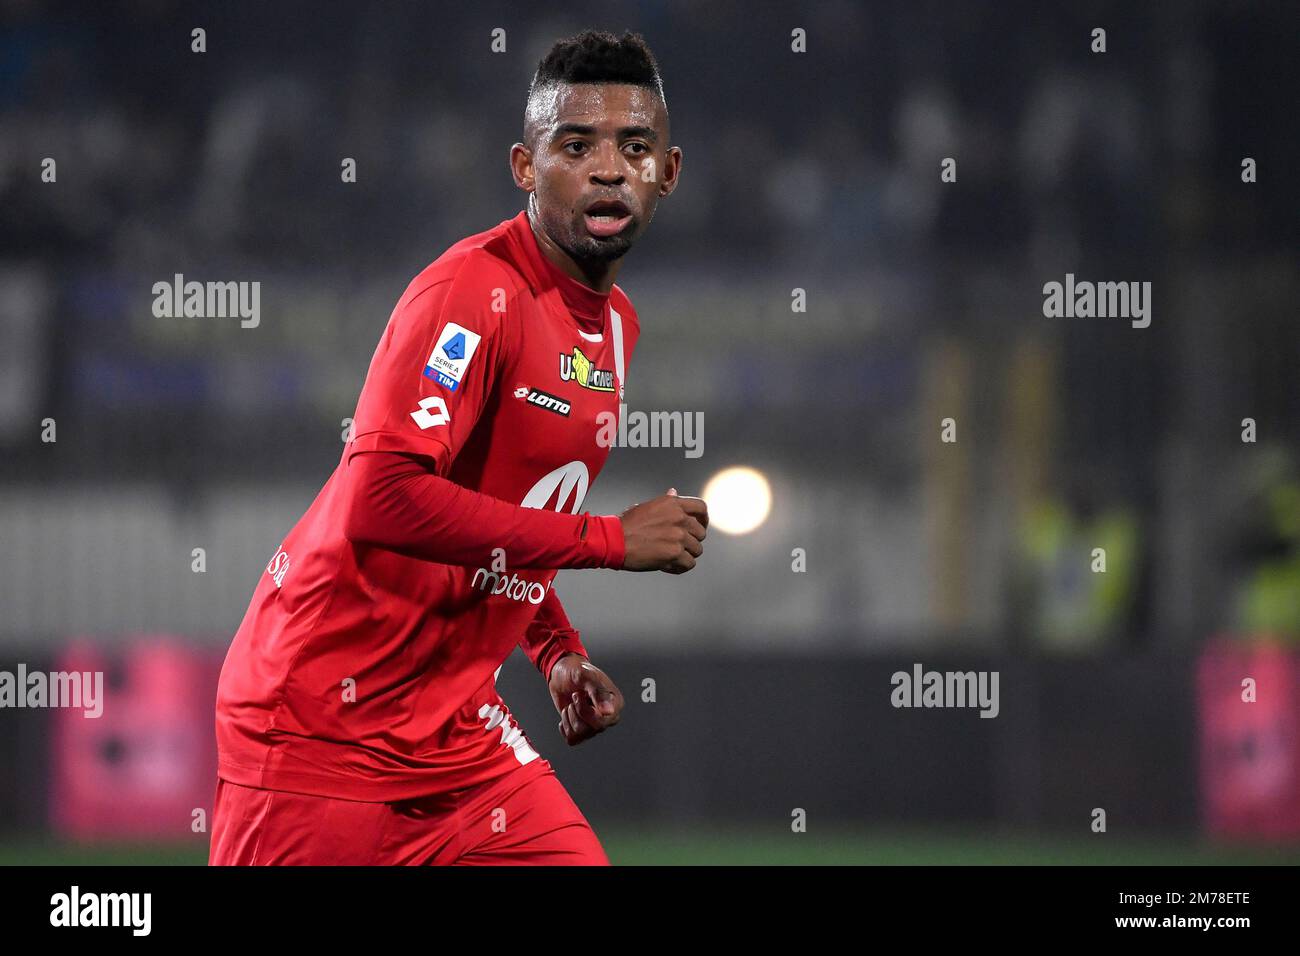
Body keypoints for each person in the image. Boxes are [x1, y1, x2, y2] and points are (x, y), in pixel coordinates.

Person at [209, 30, 705, 865]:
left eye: (635, 147)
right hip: (318, 731)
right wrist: (612, 542)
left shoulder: (617, 330)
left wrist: (554, 650)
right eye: (576, 146)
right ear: (524, 167)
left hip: (456, 738)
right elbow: (382, 497)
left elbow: (508, 512)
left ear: (670, 172)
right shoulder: (472, 293)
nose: (610, 168)